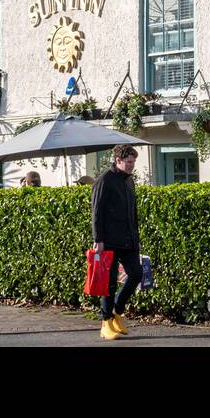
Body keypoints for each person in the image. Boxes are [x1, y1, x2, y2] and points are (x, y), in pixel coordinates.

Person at [90, 143, 143, 340]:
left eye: (134, 162)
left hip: (128, 239)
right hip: (109, 241)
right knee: (109, 283)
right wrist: (99, 239)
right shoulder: (104, 180)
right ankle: (106, 323)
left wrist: (136, 237)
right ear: (118, 160)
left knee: (136, 274)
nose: (132, 166)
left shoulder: (129, 180)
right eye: (129, 162)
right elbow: (96, 212)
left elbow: (133, 212)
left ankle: (117, 312)